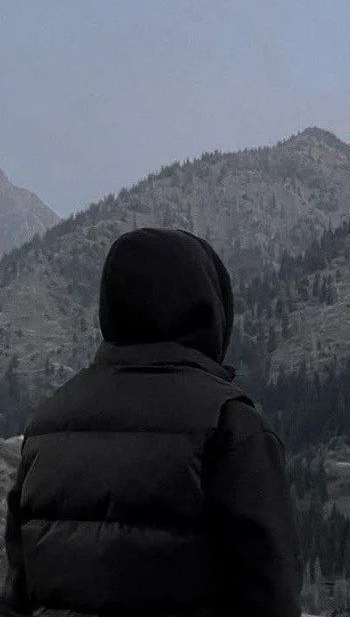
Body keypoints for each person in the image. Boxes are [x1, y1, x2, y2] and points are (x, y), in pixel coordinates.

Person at [2, 228, 302, 617]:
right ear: (210, 309)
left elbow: (18, 595)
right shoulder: (228, 424)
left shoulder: (47, 425)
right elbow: (271, 596)